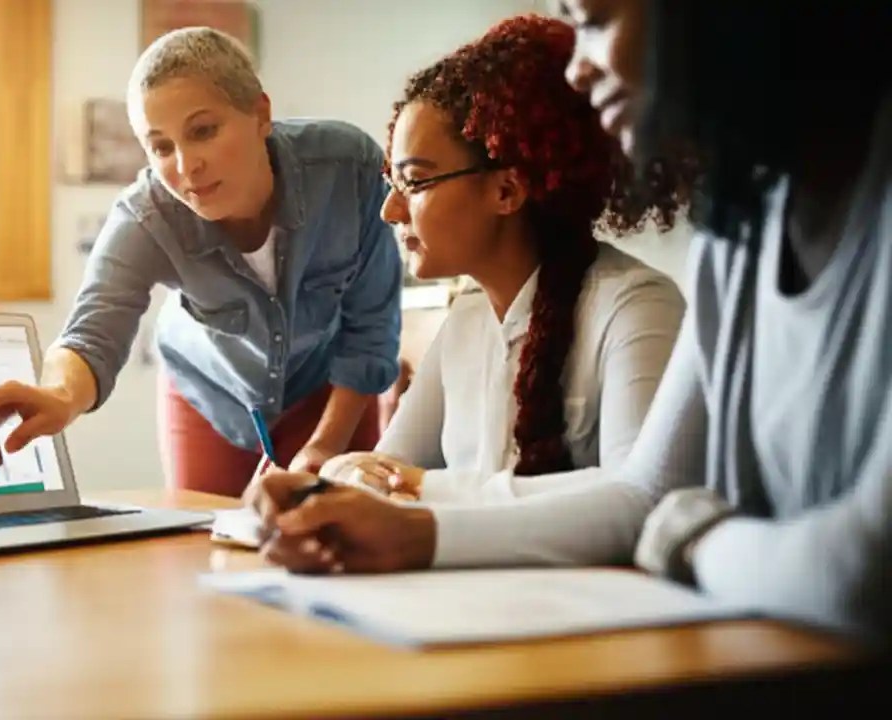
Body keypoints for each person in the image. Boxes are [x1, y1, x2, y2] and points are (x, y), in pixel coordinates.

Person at [251, 0, 891, 641]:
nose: (578, 71)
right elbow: (648, 499)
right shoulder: (736, 240)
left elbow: (861, 574)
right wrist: (395, 521)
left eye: (596, 19)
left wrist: (690, 536)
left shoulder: (639, 300)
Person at [0, 27, 402, 497]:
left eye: (203, 131)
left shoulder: (349, 169)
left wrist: (322, 448)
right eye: (160, 146)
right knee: (202, 543)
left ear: (261, 114)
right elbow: (92, 333)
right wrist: (59, 395)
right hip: (208, 395)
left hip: (329, 389)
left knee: (338, 535)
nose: (185, 165)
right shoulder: (146, 216)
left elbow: (371, 329)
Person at [308, 14, 686, 512]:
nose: (390, 210)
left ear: (506, 190)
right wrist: (339, 468)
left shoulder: (635, 308)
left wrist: (425, 486)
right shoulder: (466, 320)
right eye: (392, 184)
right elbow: (382, 472)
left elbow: (638, 500)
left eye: (415, 183)